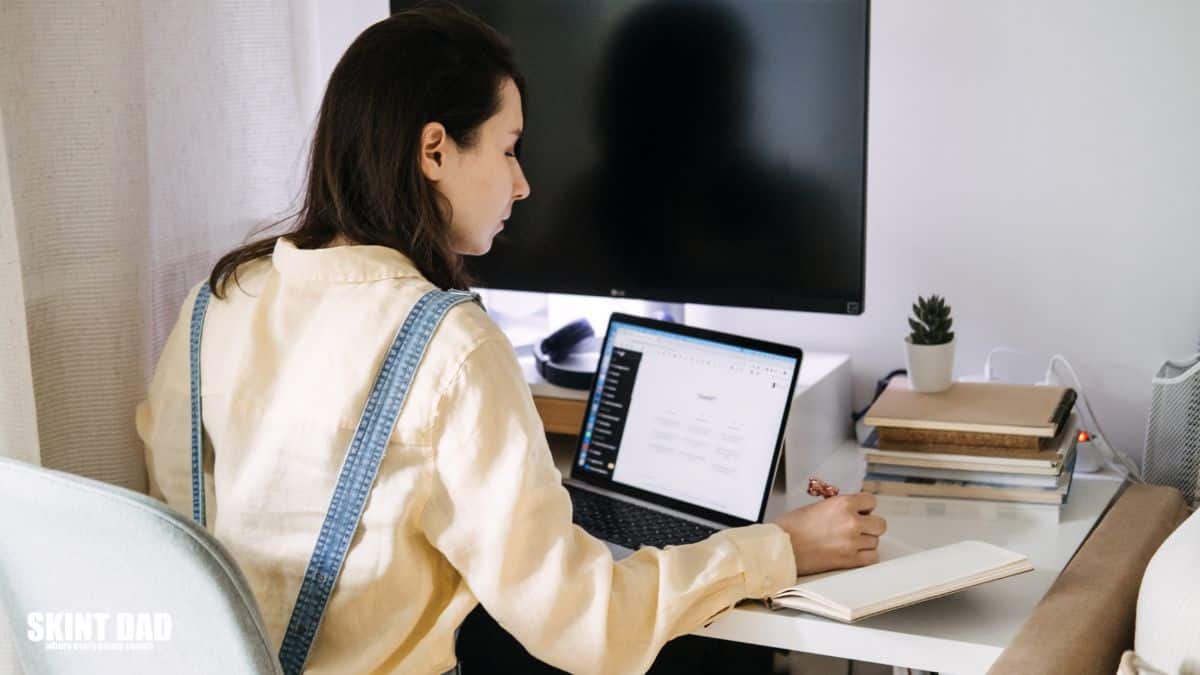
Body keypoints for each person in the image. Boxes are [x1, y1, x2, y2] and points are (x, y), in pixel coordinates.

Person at [136, 3, 886, 674]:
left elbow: (181, 532)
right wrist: (781, 547)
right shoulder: (447, 346)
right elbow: (589, 627)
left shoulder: (216, 302)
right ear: (434, 151)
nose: (523, 184)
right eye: (507, 147)